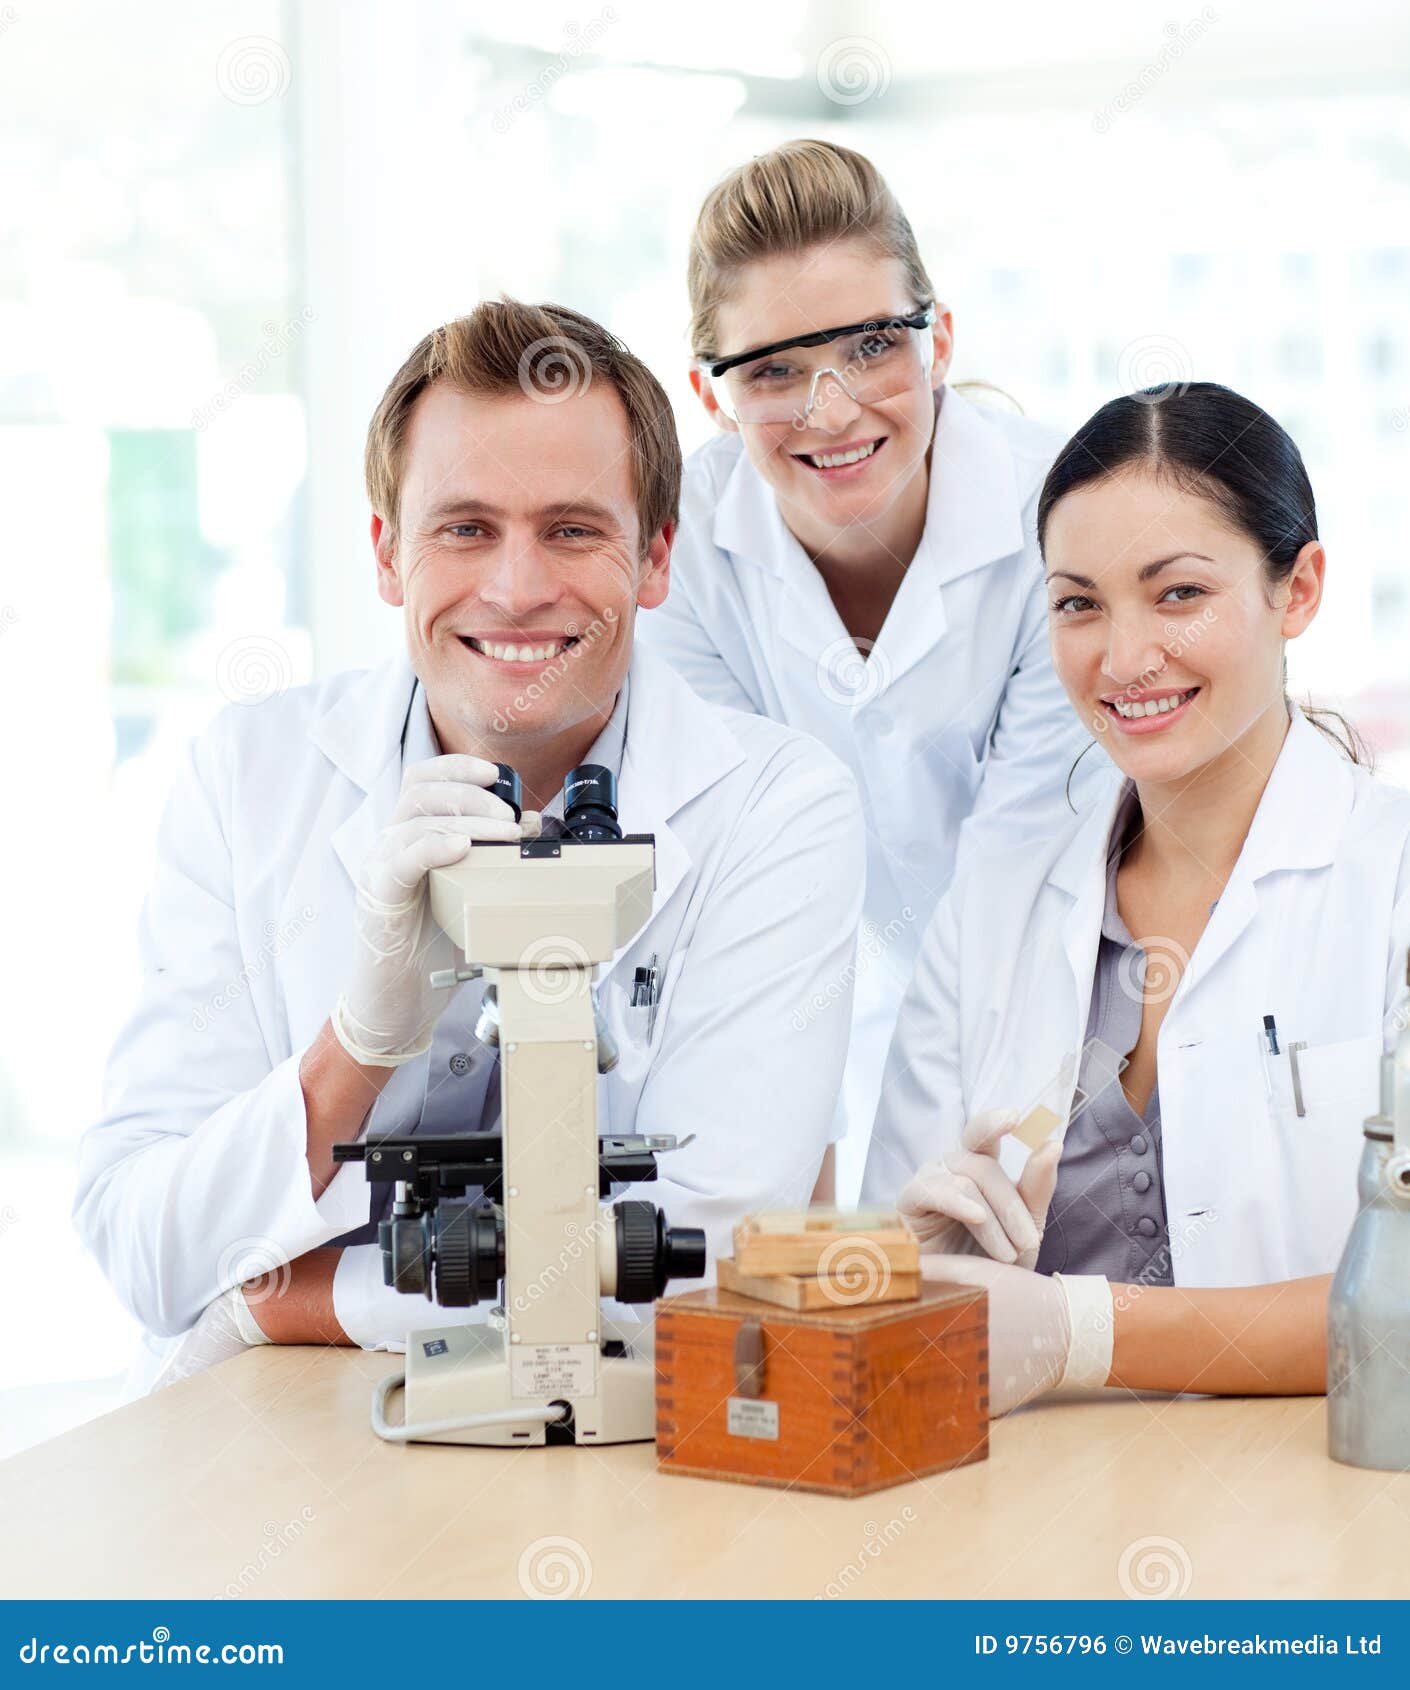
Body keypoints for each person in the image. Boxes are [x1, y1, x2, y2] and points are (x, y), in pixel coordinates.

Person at [74, 300, 865, 1396]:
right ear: (388, 554)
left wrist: (293, 1298)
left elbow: (719, 1258)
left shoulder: (778, 808)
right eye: (465, 528)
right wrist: (360, 1043)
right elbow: (147, 1245)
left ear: (656, 558)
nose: (517, 588)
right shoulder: (247, 780)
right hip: (280, 1458)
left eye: (574, 528)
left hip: (623, 1454)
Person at [862, 381, 1410, 1414]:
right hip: (1032, 1536)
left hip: (1329, 1529)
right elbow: (892, 1296)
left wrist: (1080, 1330)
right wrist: (904, 1265)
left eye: (1179, 593)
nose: (1123, 659)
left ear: (1297, 590)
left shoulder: (1390, 889)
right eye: (1079, 603)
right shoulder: (992, 911)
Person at [638, 140, 1104, 1191]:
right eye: (775, 371)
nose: (832, 409)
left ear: (937, 339)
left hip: (1062, 990)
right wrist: (806, 1221)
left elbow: (1012, 886)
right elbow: (745, 888)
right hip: (830, 1004)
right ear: (712, 397)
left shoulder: (1064, 518)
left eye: (870, 349)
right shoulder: (681, 558)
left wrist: (898, 1224)